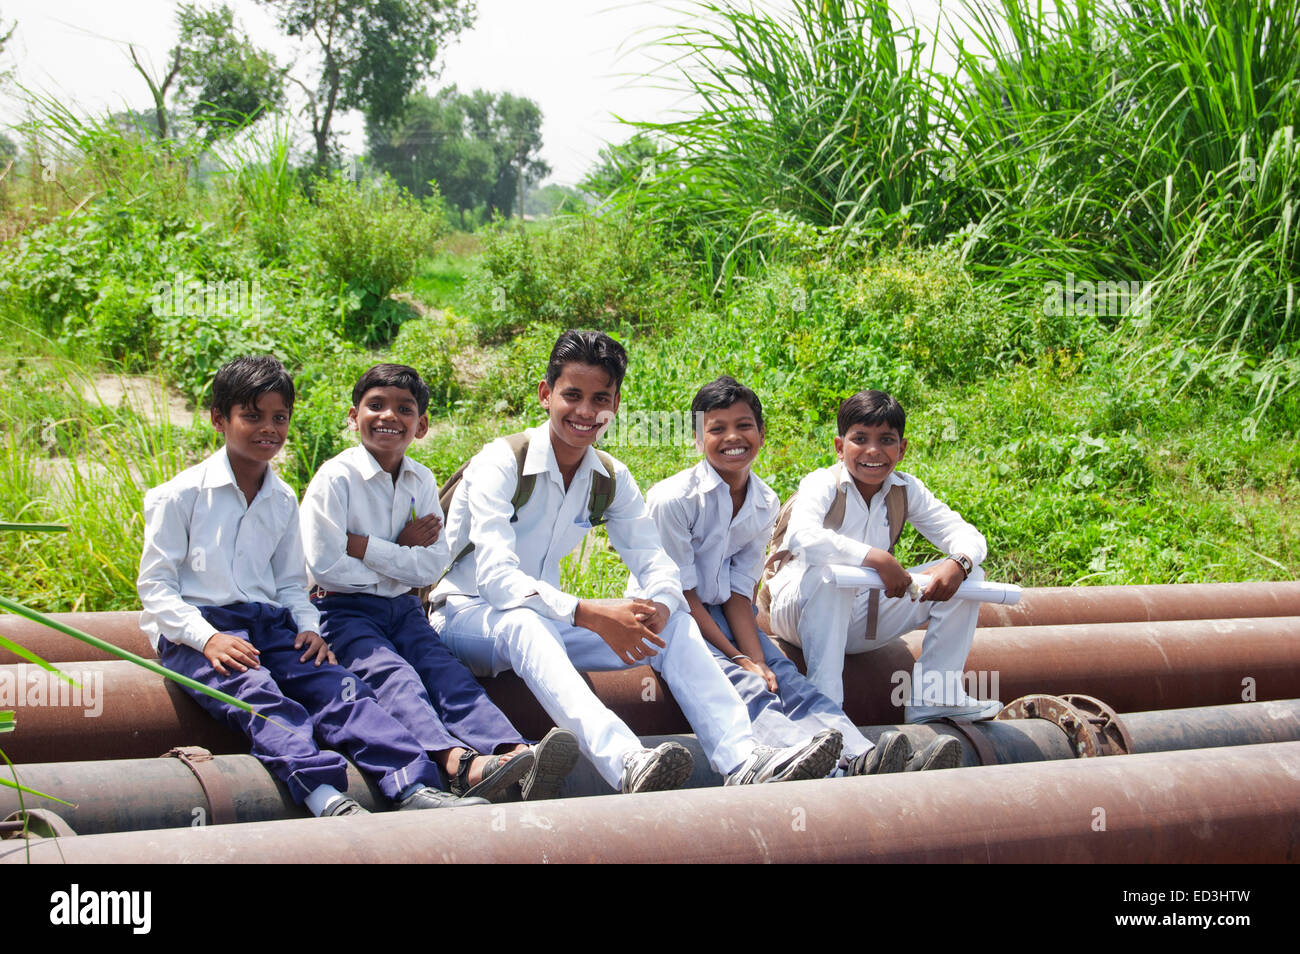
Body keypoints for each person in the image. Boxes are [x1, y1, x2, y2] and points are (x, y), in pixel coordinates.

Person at [431, 330, 842, 794]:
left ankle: (742, 758)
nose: (586, 412)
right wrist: (588, 612)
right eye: (572, 396)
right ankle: (627, 762)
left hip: (549, 619)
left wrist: (662, 607)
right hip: (469, 616)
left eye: (600, 399)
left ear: (616, 404)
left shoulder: (609, 476)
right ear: (546, 395)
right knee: (524, 623)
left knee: (671, 622)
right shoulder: (501, 462)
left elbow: (656, 563)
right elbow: (498, 580)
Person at [138, 355, 486, 817]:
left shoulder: (281, 497)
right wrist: (208, 638)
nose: (269, 429)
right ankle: (325, 796)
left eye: (279, 418)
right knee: (257, 693)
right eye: (252, 416)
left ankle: (411, 787)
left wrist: (308, 627)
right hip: (199, 630)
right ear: (218, 418)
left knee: (341, 688)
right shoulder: (179, 496)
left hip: (269, 624)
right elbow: (156, 588)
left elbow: (288, 582)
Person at [636, 375, 962, 774]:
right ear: (696, 438)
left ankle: (860, 754)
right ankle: (803, 757)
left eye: (743, 426)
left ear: (761, 433)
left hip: (720, 608)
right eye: (716, 429)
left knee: (784, 675)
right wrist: (741, 658)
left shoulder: (763, 501)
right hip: (668, 612)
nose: (732, 437)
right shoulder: (673, 499)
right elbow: (681, 593)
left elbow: (740, 594)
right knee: (740, 682)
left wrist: (758, 657)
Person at [299, 363, 579, 802]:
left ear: (422, 425)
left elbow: (430, 567)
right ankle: (456, 763)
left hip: (405, 608)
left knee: (446, 672)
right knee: (395, 676)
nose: (389, 416)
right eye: (376, 406)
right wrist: (400, 550)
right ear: (354, 416)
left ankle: (512, 752)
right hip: (343, 610)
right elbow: (327, 567)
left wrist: (366, 546)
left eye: (404, 409)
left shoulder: (420, 479)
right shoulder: (336, 480)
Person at [765, 389, 1002, 724]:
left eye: (886, 440)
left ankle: (935, 695)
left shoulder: (907, 490)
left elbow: (968, 536)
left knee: (970, 577)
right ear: (839, 446)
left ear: (901, 449)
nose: (873, 451)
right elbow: (803, 538)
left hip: (863, 619)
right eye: (860, 438)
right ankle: (826, 710)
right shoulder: (823, 483)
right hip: (799, 615)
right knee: (830, 576)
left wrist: (958, 563)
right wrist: (875, 557)